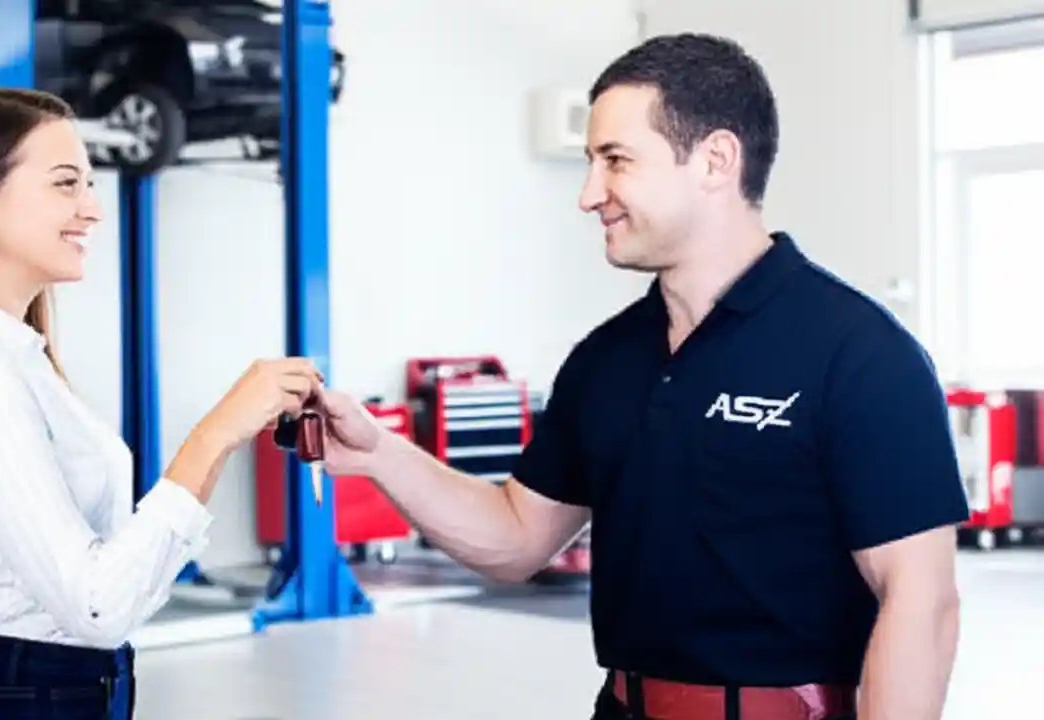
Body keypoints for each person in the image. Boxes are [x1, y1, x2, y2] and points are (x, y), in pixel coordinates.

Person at [311, 33, 968, 720]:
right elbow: (515, 537)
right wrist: (379, 454)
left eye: (615, 161)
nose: (590, 195)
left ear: (715, 160)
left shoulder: (860, 355)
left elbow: (920, 601)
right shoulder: (607, 360)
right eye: (590, 163)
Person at [0, 88, 323, 720]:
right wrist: (215, 433)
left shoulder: (19, 359)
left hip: (75, 688)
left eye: (88, 183)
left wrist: (231, 430)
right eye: (65, 184)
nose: (91, 209)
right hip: (29, 695)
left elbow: (121, 589)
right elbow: (95, 605)